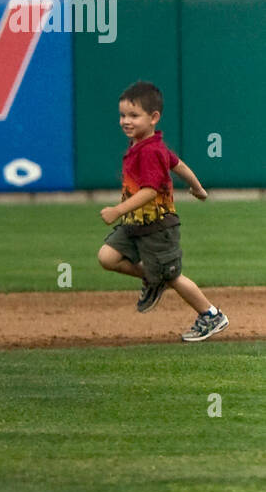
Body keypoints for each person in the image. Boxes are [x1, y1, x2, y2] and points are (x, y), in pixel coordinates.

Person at [97, 81, 228, 343]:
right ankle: (153, 278)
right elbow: (178, 165)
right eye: (123, 115)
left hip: (158, 228)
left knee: (173, 276)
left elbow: (150, 191)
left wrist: (117, 210)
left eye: (134, 115)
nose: (126, 121)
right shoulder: (145, 145)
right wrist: (198, 188)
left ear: (154, 117)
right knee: (107, 257)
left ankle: (211, 314)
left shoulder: (150, 151)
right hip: (135, 225)